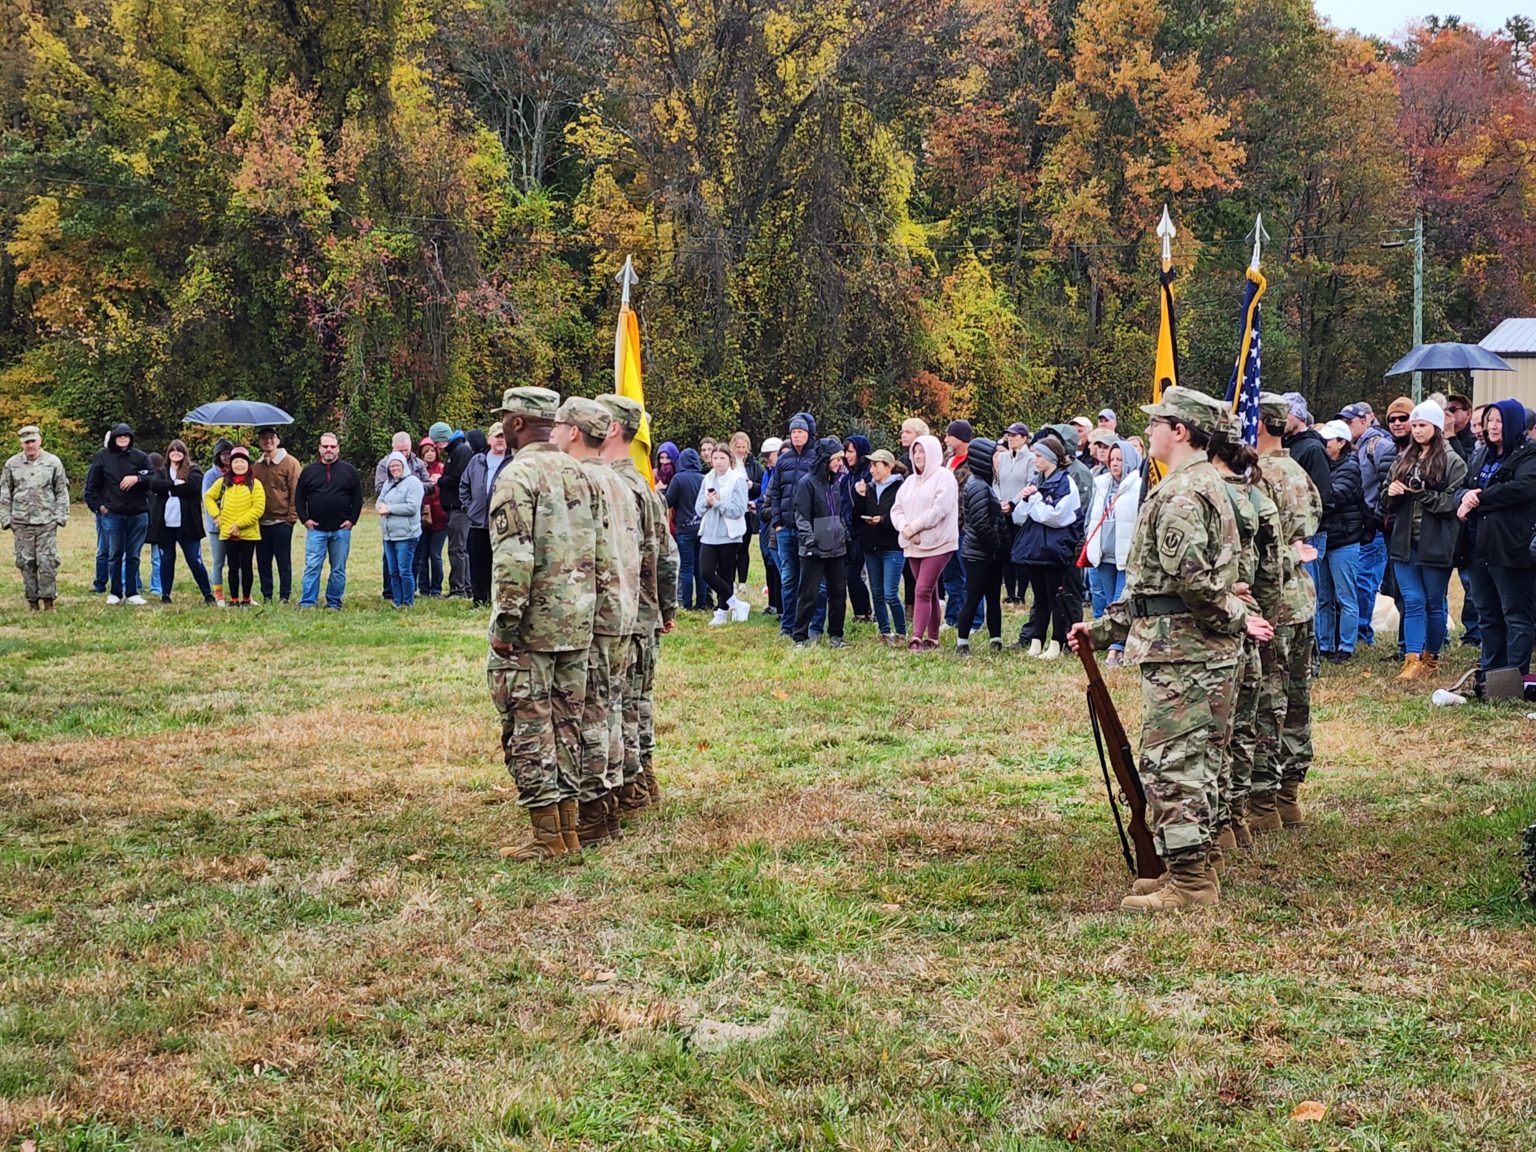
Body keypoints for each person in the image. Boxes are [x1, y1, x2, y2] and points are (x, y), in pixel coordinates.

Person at [1068, 387, 1270, 913]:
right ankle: (1193, 868)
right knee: (1194, 760)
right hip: (1192, 650)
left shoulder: (1183, 493)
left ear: (1180, 431)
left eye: (1158, 423)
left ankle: (1191, 883)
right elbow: (1151, 589)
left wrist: (1237, 618)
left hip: (1189, 654)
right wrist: (1105, 629)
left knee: (1175, 765)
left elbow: (1194, 585)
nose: (1150, 431)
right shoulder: (1201, 485)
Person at [488, 387, 603, 860]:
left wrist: (504, 625)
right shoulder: (582, 473)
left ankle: (547, 838)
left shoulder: (518, 475)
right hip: (576, 621)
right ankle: (569, 830)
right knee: (567, 725)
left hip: (533, 627)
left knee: (530, 727)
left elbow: (513, 558)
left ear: (516, 424)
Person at [554, 397, 633, 846]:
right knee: (611, 711)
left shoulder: (582, 478)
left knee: (588, 715)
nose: (554, 433)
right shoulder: (617, 479)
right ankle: (610, 805)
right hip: (619, 607)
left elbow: (577, 551)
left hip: (595, 612)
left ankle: (592, 812)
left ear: (574, 432)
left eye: (560, 425)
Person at [598, 394, 679, 816]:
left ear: (613, 429)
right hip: (645, 613)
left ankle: (631, 786)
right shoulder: (644, 487)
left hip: (624, 614)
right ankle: (643, 779)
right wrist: (667, 609)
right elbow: (668, 556)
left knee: (621, 705)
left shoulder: (615, 485)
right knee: (638, 701)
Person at [1207, 419, 1283, 862]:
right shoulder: (1256, 497)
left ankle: (1222, 824)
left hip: (1224, 620)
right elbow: (1271, 569)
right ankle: (1235, 817)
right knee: (1242, 728)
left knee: (1220, 731)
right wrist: (1264, 616)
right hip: (1250, 613)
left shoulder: (1214, 496)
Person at [1251, 394, 1323, 831]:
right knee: (1297, 697)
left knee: (1268, 699)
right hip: (1300, 597)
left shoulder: (1258, 476)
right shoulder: (1297, 470)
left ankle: (1263, 801)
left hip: (1273, 598)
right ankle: (1288, 795)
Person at [1384, 401, 1466, 680]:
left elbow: (1454, 502)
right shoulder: (1403, 458)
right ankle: (1412, 658)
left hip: (1437, 542)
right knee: (1412, 599)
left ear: (1436, 427)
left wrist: (1421, 494)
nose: (1417, 430)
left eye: (1423, 425)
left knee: (1433, 602)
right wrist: (1393, 492)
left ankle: (1431, 656)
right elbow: (1384, 499)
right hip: (1404, 542)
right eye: (1415, 425)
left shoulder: (1452, 461)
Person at [1457, 398, 1536, 676]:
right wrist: (1464, 497)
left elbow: (1521, 489)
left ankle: (1515, 675)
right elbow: (1464, 488)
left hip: (1510, 546)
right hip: (1478, 544)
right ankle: (1492, 672)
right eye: (1489, 420)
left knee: (1515, 614)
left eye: (1499, 421)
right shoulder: (1481, 455)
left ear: (1514, 423)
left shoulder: (1530, 454)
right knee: (1487, 614)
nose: (1491, 426)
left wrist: (1478, 499)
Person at [1008, 435, 1082, 659]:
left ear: (1051, 458)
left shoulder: (1066, 482)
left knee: (1055, 596)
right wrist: (1026, 500)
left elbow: (1058, 516)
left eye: (1039, 456)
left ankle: (1057, 642)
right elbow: (1019, 516)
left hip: (1054, 549)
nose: (1035, 460)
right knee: (1039, 596)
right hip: (1034, 548)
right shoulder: (1035, 481)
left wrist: (1036, 500)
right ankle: (1037, 639)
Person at [890, 434, 958, 651]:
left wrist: (915, 526)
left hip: (939, 543)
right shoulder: (909, 482)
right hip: (913, 544)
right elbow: (896, 509)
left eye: (922, 452)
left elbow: (940, 510)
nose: (918, 456)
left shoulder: (944, 477)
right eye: (915, 452)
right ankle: (934, 638)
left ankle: (916, 637)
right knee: (929, 592)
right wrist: (905, 528)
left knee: (922, 589)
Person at [1085, 439, 1143, 666]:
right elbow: (1092, 516)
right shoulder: (1100, 484)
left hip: (1125, 554)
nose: (1115, 464)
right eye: (1112, 459)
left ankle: (1115, 651)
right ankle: (1119, 644)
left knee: (1121, 601)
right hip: (1104, 552)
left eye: (1120, 459)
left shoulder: (1138, 485)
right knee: (1110, 602)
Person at [1341, 402, 1394, 651]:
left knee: (1365, 580)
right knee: (1358, 579)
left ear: (1365, 421)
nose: (1348, 426)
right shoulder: (1356, 447)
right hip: (1360, 525)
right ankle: (1361, 629)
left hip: (1374, 525)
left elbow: (1388, 482)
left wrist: (1378, 516)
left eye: (1351, 421)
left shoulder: (1378, 445)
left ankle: (1363, 631)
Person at [791, 436, 851, 648]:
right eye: (836, 459)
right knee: (808, 594)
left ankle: (836, 635)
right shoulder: (806, 483)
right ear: (825, 459)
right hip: (814, 549)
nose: (840, 463)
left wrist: (844, 534)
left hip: (837, 548)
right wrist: (810, 541)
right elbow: (801, 516)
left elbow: (839, 513)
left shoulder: (835, 483)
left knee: (838, 594)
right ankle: (800, 637)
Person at [1, 425, 69, 610]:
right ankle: (32, 602)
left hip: (46, 522)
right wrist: (6, 520)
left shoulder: (53, 462)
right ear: (21, 443)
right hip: (21, 523)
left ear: (39, 441)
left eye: (32, 441)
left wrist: (59, 517)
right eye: (26, 442)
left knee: (47, 562)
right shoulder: (12, 464)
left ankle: (48, 601)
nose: (30, 445)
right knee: (26, 562)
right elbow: (5, 493)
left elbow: (61, 491)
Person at [83, 422, 152, 605]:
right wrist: (100, 507)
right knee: (114, 554)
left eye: (126, 436)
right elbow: (91, 487)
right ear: (113, 438)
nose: (123, 439)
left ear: (131, 438)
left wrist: (137, 478)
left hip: (137, 513)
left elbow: (153, 478)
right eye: (120, 436)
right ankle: (115, 592)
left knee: (133, 555)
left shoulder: (140, 457)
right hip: (112, 514)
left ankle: (132, 592)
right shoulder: (103, 456)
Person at [295, 432, 363, 610]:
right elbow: (299, 498)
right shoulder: (309, 471)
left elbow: (357, 498)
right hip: (316, 530)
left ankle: (334, 602)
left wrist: (352, 521)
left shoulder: (349, 471)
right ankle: (308, 602)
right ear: (319, 448)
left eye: (332, 447)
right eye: (325, 446)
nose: (329, 450)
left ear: (338, 449)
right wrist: (305, 520)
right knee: (312, 567)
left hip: (341, 530)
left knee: (338, 569)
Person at [1316, 420, 1363, 663]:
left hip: (1344, 540)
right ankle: (1324, 644)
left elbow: (1333, 496)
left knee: (1346, 597)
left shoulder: (1351, 467)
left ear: (1342, 443)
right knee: (1323, 597)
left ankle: (1346, 646)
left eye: (1328, 441)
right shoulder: (1325, 465)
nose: (1323, 445)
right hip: (1326, 538)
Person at [145, 440, 214, 604]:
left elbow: (194, 487)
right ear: (168, 453)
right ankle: (166, 595)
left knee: (194, 560)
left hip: (188, 526)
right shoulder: (162, 471)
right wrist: (174, 484)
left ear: (184, 453)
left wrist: (168, 489)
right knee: (166, 560)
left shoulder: (194, 470)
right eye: (173, 451)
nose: (176, 453)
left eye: (179, 451)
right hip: (165, 525)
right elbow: (154, 485)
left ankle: (208, 594)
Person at [954, 437, 1006, 653]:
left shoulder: (985, 484)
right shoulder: (977, 486)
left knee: (993, 597)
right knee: (974, 596)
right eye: (995, 456)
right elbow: (981, 523)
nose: (998, 460)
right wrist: (997, 545)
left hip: (988, 554)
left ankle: (996, 639)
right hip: (978, 553)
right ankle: (962, 642)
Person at [769, 412, 819, 636]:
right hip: (785, 528)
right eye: (793, 432)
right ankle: (787, 625)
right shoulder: (783, 460)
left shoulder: (816, 458)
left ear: (808, 434)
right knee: (788, 579)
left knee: (809, 581)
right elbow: (775, 493)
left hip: (807, 529)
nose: (797, 436)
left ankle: (810, 625)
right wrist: (777, 522)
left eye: (801, 432)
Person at [1281, 393, 1331, 595]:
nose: (1282, 418)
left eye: (1287, 413)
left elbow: (1323, 496)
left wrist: (1305, 530)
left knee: (1309, 596)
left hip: (1309, 534)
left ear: (1299, 416)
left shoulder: (1313, 448)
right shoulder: (1287, 445)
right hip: (1292, 532)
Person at [695, 443, 750, 624]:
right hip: (709, 533)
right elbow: (698, 508)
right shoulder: (707, 479)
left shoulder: (737, 480)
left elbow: (739, 509)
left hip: (729, 534)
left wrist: (718, 504)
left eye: (722, 458)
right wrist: (707, 502)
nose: (718, 462)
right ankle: (736, 603)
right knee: (706, 572)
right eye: (715, 458)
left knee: (726, 574)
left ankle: (722, 611)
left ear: (730, 460)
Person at [203, 447, 264, 607]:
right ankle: (234, 598)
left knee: (246, 565)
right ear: (231, 464)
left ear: (248, 464)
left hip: (248, 532)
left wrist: (239, 524)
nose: (239, 465)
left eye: (242, 461)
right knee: (232, 566)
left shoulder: (254, 484)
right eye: (236, 461)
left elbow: (258, 508)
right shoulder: (223, 482)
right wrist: (216, 515)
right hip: (228, 532)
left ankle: (246, 598)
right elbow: (208, 497)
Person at [856, 448, 906, 644]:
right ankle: (885, 632)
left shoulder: (900, 488)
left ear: (888, 467)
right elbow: (857, 515)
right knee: (876, 593)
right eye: (870, 465)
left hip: (892, 546)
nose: (871, 470)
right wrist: (860, 497)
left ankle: (901, 632)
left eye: (875, 465)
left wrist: (883, 520)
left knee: (890, 593)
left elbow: (902, 514)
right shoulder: (868, 488)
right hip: (871, 546)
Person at [374, 432, 431, 598]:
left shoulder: (414, 478)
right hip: (390, 532)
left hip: (407, 530)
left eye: (406, 451)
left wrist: (390, 507)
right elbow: (379, 497)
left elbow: (412, 506)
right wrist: (380, 506)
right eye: (392, 467)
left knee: (406, 568)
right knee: (392, 568)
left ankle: (408, 599)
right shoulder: (387, 480)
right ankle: (395, 598)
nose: (395, 468)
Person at [249, 427, 302, 604]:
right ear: (259, 442)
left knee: (283, 561)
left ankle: (285, 596)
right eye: (264, 438)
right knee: (263, 561)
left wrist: (291, 518)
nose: (268, 441)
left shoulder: (290, 463)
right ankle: (267, 595)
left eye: (271, 438)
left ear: (278, 440)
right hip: (261, 521)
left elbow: (296, 491)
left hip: (282, 521)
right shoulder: (256, 466)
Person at [461, 426, 507, 608]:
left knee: (499, 564)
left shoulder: (512, 461)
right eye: (497, 437)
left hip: (502, 523)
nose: (500, 440)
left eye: (504, 437)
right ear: (489, 440)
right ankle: (479, 600)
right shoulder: (476, 461)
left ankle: (498, 600)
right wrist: (470, 508)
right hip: (478, 522)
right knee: (477, 563)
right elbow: (463, 485)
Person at [940, 419, 975, 629]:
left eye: (949, 435)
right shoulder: (946, 459)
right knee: (950, 574)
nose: (946, 440)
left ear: (960, 438)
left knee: (969, 575)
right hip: (946, 526)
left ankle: (974, 620)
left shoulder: (973, 461)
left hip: (963, 526)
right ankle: (952, 617)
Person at [434, 422, 475, 598]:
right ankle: (465, 587)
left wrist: (439, 480)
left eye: (436, 442)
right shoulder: (455, 451)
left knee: (457, 549)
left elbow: (460, 478)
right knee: (460, 549)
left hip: (459, 508)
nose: (435, 447)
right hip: (454, 509)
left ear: (442, 439)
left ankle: (459, 589)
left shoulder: (461, 452)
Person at [665, 447, 706, 610]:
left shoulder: (678, 479)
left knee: (686, 568)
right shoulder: (704, 478)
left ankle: (686, 604)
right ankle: (702, 603)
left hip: (684, 528)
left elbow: (668, 501)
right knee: (700, 567)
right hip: (702, 528)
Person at [840, 435, 875, 621]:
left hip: (865, 531)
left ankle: (866, 611)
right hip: (848, 532)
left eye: (851, 451)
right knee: (849, 575)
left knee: (855, 574)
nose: (847, 455)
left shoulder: (869, 476)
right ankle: (859, 613)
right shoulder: (846, 479)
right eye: (846, 451)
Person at [729, 431, 761, 597]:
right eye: (738, 447)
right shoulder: (728, 463)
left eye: (744, 447)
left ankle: (742, 582)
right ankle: (731, 581)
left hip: (747, 512)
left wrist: (751, 485)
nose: (741, 450)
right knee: (731, 548)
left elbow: (763, 485)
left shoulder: (754, 465)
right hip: (732, 512)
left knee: (744, 547)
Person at [414, 437, 448, 596]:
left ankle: (436, 588)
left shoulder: (442, 469)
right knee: (422, 555)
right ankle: (423, 588)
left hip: (440, 518)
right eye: (426, 451)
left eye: (432, 450)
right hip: (421, 517)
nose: (429, 454)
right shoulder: (418, 470)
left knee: (435, 554)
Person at [202, 439, 233, 604]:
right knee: (218, 561)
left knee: (238, 562)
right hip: (216, 525)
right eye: (223, 454)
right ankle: (218, 594)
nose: (227, 457)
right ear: (218, 456)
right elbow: (206, 499)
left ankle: (242, 593)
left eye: (229, 453)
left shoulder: (238, 473)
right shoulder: (210, 475)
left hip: (235, 524)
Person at [757, 438, 783, 616]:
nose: (767, 459)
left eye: (770, 455)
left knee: (777, 563)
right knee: (768, 561)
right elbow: (764, 496)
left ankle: (780, 606)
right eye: (765, 456)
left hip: (775, 522)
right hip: (764, 522)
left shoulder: (778, 473)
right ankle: (772, 603)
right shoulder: (768, 472)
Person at [1444, 394, 1476, 461]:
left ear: (1468, 414)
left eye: (1452, 409)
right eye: (1444, 410)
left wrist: (1449, 432)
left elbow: (1463, 463)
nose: (1446, 413)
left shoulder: (1475, 439)